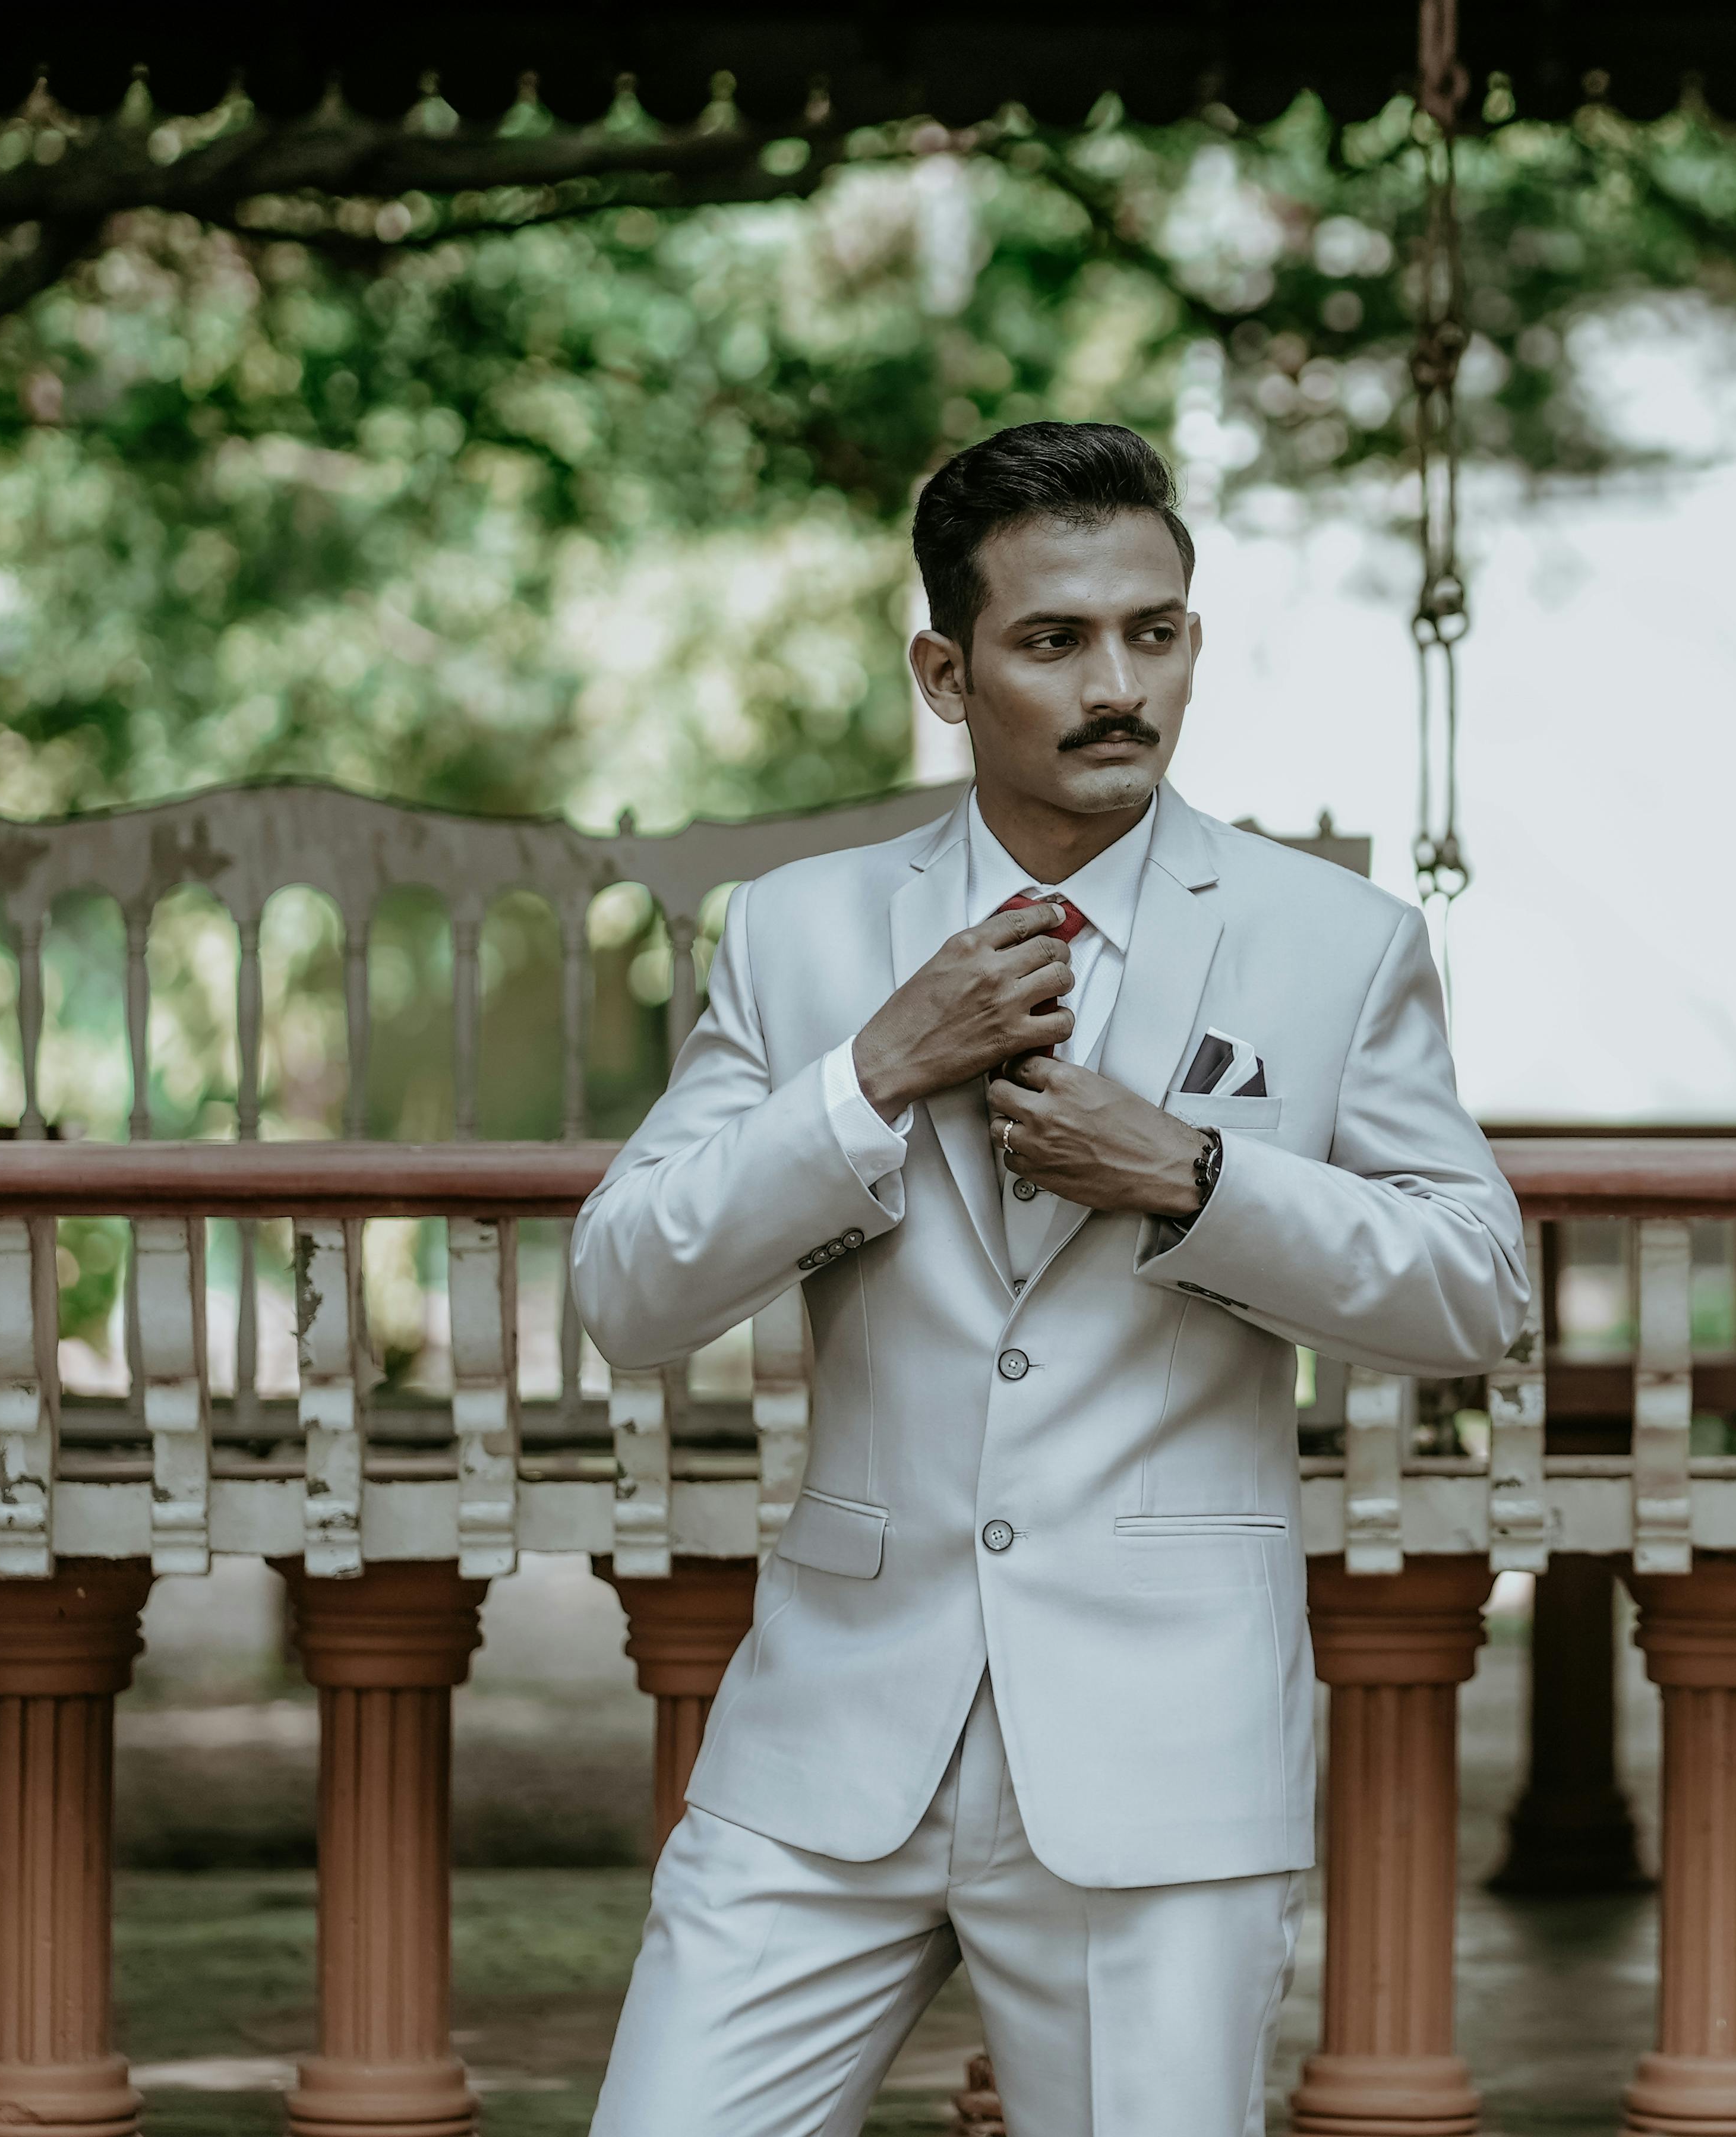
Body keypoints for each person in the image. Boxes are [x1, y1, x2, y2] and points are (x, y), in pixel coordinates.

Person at [573, 420, 1527, 2137]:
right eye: (1054, 641)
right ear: (946, 672)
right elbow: (630, 1289)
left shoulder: (1336, 943)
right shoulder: (799, 935)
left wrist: (1194, 1177)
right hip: (826, 1746)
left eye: (1154, 634)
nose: (1120, 686)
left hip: (1159, 1761)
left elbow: (1475, 1292)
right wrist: (867, 1077)